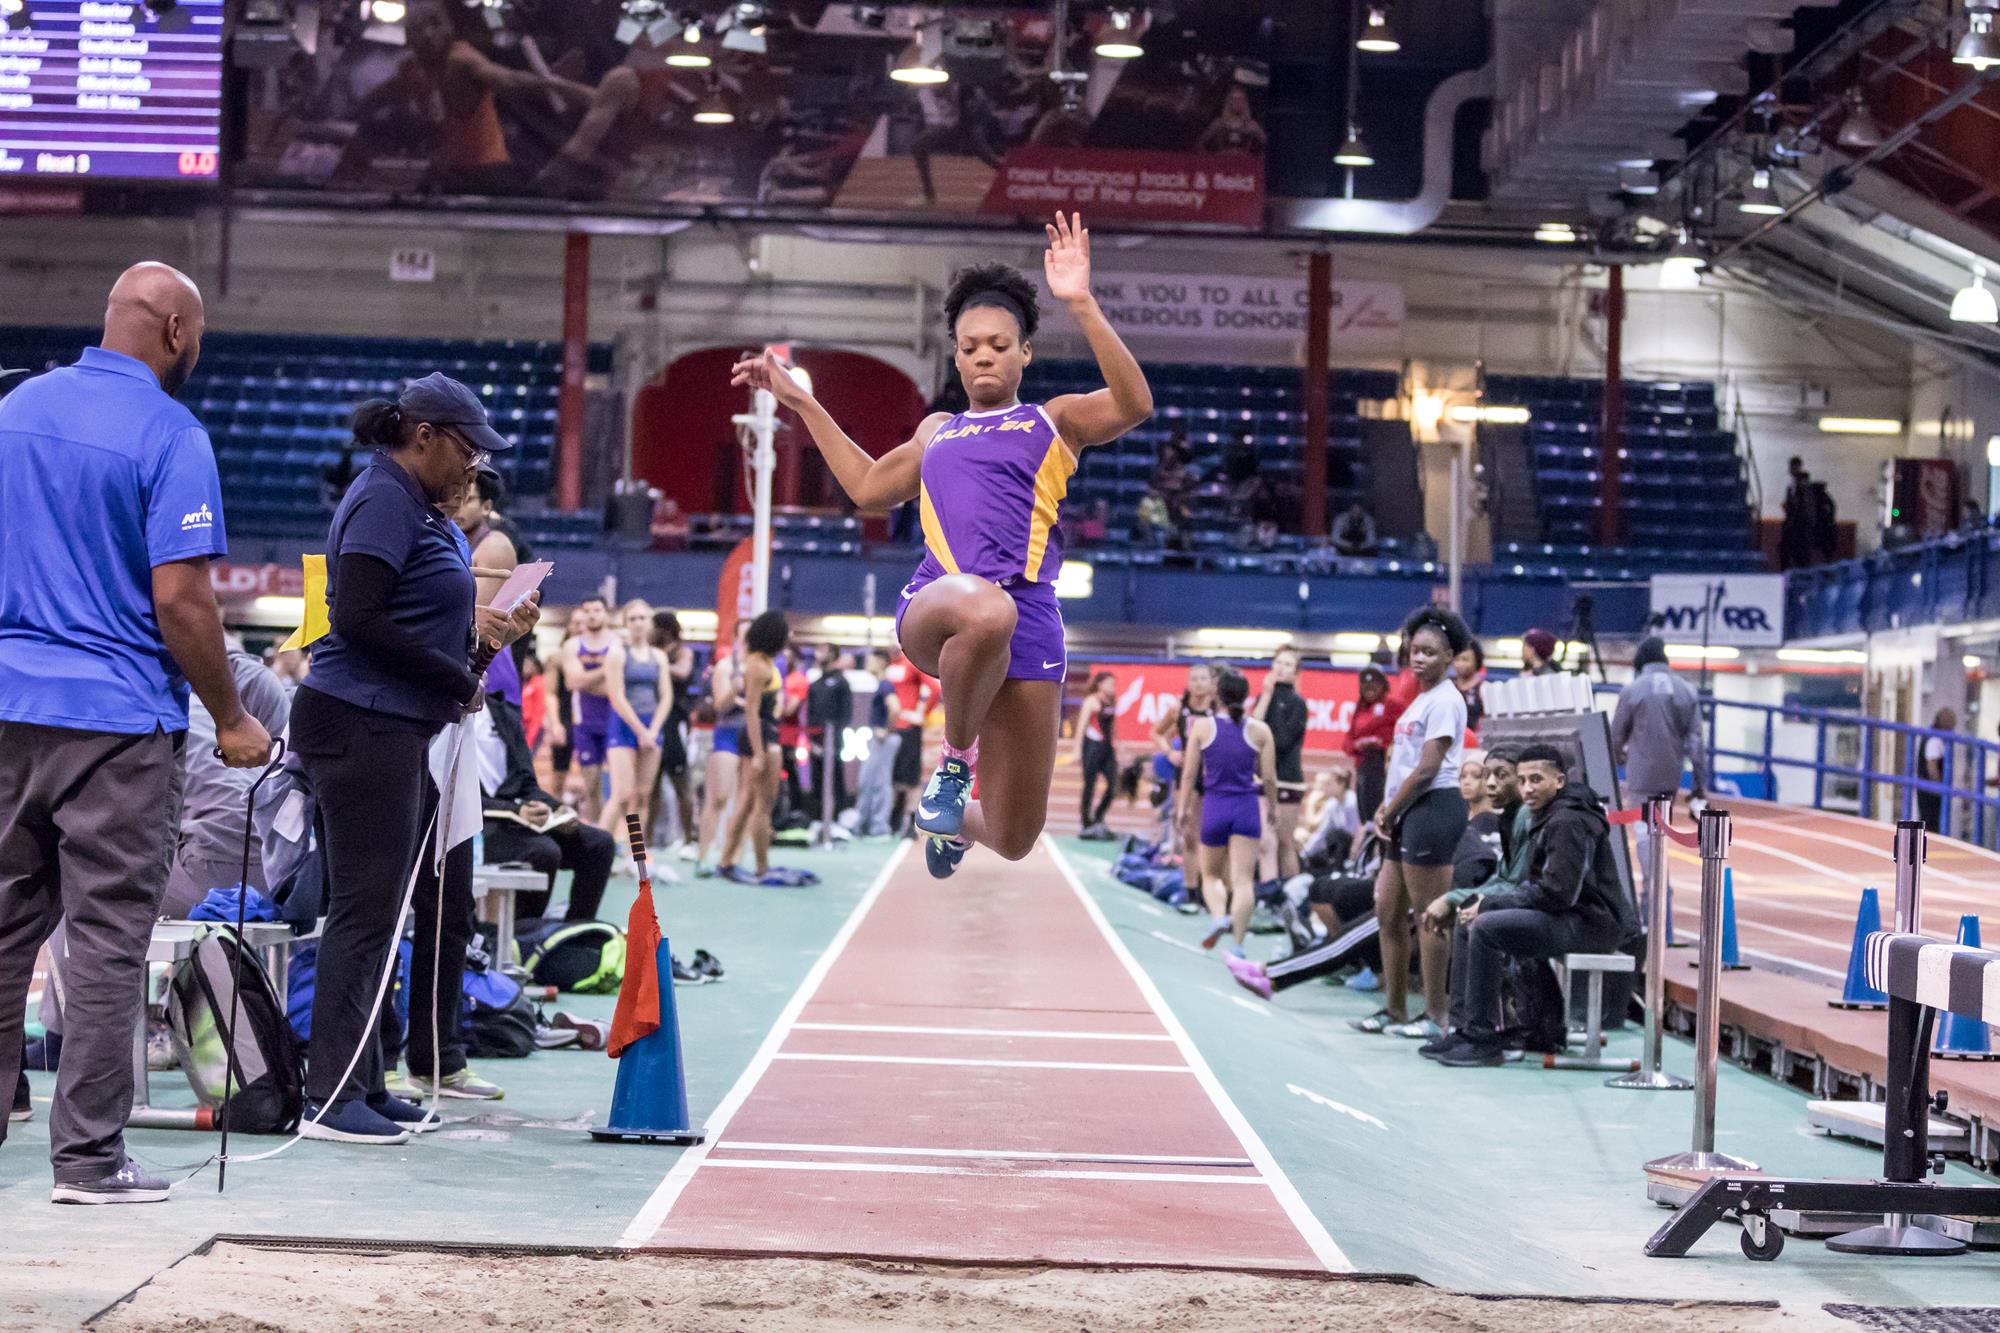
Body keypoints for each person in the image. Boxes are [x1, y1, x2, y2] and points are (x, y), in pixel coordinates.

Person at [731, 213, 1152, 878]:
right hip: (937, 606)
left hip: (1031, 624)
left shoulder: (1054, 421)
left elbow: (1134, 402)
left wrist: (1080, 302)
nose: (984, 354)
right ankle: (955, 766)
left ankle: (954, 828)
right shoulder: (937, 430)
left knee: (1015, 835)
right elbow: (870, 489)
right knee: (988, 610)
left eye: (999, 343)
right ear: (956, 355)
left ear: (1025, 354)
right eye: (971, 344)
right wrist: (802, 404)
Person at [0, 263, 272, 1203]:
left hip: (6, 709)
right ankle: (86, 1160)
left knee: (1, 936)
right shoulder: (170, 432)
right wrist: (232, 717)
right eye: (195, 335)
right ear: (173, 329)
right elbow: (181, 599)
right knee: (111, 938)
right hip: (115, 725)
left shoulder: (16, 410)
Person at [291, 375, 537, 1144]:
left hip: (389, 727)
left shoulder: (418, 508)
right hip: (360, 725)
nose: (474, 466)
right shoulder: (382, 500)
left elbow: (407, 622)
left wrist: (480, 641)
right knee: (363, 916)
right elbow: (357, 618)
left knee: (381, 914)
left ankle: (365, 1077)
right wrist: (456, 678)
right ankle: (331, 1097)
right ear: (424, 434)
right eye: (467, 449)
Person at [1432, 744, 1641, 1067]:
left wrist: (1492, 904)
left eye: (1536, 780)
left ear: (1558, 781)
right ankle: (1467, 1030)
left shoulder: (1567, 821)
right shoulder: (1547, 815)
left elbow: (1558, 894)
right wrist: (1490, 903)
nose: (1528, 788)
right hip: (1572, 915)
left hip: (1593, 924)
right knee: (1474, 920)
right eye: (1524, 780)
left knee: (1486, 926)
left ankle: (1481, 1038)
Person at [1352, 605, 1473, 1041]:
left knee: (1430, 916)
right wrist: (1390, 809)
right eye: (1414, 650)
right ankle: (1395, 1009)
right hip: (1404, 812)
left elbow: (1425, 769)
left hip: (1432, 808)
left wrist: (1389, 808)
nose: (1418, 658)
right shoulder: (1419, 700)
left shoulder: (1446, 699)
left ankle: (1436, 1015)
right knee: (1387, 909)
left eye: (1429, 652)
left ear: (1449, 658)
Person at [163, 645, 294, 914]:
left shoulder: (164, 712)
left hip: (215, 864)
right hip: (283, 868)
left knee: (91, 884)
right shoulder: (258, 685)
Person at [477, 684, 615, 925]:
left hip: (517, 819)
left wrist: (557, 810)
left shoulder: (503, 714)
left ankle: (575, 935)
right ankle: (526, 937)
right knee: (543, 852)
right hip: (474, 826)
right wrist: (515, 811)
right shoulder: (443, 719)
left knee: (599, 844)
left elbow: (527, 783)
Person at [1179, 669, 1278, 980]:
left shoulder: (1202, 728)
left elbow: (1188, 773)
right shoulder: (1260, 731)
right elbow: (1270, 778)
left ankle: (1220, 916)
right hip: (1246, 807)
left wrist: (1182, 808)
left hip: (1214, 807)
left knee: (1209, 876)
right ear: (1247, 696)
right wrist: (1272, 808)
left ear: (1216, 695)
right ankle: (1237, 944)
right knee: (1244, 880)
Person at [1610, 636, 1710, 904]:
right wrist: (1700, 782)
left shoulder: (1632, 691)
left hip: (1641, 773)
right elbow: (1697, 741)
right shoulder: (1686, 690)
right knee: (1661, 830)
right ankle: (1659, 896)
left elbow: (1616, 735)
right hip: (1670, 774)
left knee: (1645, 832)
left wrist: (1618, 759)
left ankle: (1653, 896)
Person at [717, 610, 790, 884]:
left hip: (764, 734)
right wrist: (759, 753)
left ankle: (727, 860)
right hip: (761, 738)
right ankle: (761, 866)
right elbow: (751, 711)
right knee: (762, 805)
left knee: (749, 801)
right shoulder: (758, 666)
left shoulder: (765, 663)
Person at [599, 598, 669, 859]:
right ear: (626, 623)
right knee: (621, 794)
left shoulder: (658, 656)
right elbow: (616, 695)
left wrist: (654, 729)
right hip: (624, 727)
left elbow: (666, 696)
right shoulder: (617, 653)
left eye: (643, 618)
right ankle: (598, 851)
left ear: (650, 622)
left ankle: (634, 853)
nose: (638, 624)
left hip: (653, 727)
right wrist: (641, 730)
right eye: (633, 619)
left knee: (642, 795)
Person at [1154, 662, 1218, 901]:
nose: (1199, 683)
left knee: (1208, 833)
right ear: (1188, 683)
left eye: (1204, 679)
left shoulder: (1217, 709)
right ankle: (1191, 888)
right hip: (1186, 778)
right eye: (1195, 679)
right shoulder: (1179, 709)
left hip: (1212, 776)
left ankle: (1206, 884)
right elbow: (1157, 732)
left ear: (1212, 683)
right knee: (1189, 833)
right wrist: (1169, 752)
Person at [1253, 647, 1310, 879]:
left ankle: (1292, 895)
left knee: (1285, 841)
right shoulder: (1263, 698)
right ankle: (1269, 891)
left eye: (1287, 664)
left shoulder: (1298, 703)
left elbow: (1282, 741)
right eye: (1278, 662)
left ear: (1296, 673)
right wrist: (1267, 696)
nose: (1281, 667)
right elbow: (1252, 731)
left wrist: (1273, 703)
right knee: (1265, 842)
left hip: (1287, 779)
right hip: (1262, 778)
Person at [560, 596, 617, 822]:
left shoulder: (617, 643)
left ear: (606, 614)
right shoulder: (572, 645)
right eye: (587, 610)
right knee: (591, 787)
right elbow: (573, 681)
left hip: (615, 721)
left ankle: (621, 838)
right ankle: (597, 832)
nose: (592, 614)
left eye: (597, 610)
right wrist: (607, 669)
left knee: (622, 790)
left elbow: (613, 688)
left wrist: (587, 678)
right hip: (585, 723)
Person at [650, 611, 698, 852]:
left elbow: (683, 671)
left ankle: (689, 839)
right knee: (651, 786)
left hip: (675, 721)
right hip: (651, 721)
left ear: (665, 630)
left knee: (682, 783)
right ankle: (645, 841)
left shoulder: (681, 651)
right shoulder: (648, 650)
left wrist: (657, 662)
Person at [882, 647, 934, 833]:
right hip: (890, 729)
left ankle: (910, 823)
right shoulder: (888, 667)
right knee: (892, 777)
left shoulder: (912, 663)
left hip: (909, 729)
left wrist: (921, 713)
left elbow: (934, 688)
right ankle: (892, 821)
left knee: (910, 779)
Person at [804, 645, 854, 824]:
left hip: (833, 742)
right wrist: (811, 740)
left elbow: (846, 713)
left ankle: (837, 817)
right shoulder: (815, 684)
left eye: (822, 650)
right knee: (817, 779)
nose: (817, 653)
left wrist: (835, 740)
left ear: (833, 655)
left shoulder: (841, 682)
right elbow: (810, 714)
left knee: (835, 778)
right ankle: (817, 818)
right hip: (815, 742)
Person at [853, 649, 901, 838]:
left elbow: (895, 707)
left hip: (883, 740)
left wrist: (887, 730)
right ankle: (865, 825)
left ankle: (880, 827)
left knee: (880, 783)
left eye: (871, 660)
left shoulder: (885, 685)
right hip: (879, 739)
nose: (867, 664)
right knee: (868, 782)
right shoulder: (881, 685)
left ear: (881, 662)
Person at [1344, 666, 1400, 826]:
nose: (1370, 689)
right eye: (1365, 685)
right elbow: (1348, 741)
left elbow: (1405, 732)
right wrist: (1358, 744)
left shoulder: (1392, 705)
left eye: (1374, 685)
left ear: (1383, 685)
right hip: (1363, 768)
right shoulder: (1360, 707)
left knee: (1381, 814)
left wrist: (1383, 744)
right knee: (1365, 816)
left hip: (1383, 767)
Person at [1077, 671, 1121, 840]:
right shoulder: (1091, 701)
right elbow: (1082, 725)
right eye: (1109, 683)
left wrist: (1119, 744)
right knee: (1089, 785)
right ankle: (1086, 823)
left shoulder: (1112, 700)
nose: (1112, 687)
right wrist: (1077, 749)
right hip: (1092, 747)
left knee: (1114, 784)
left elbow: (1113, 725)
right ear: (1100, 684)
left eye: (1113, 684)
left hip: (1107, 748)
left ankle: (1098, 818)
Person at [1919, 706, 1957, 833]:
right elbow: (1932, 767)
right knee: (1931, 824)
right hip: (1931, 792)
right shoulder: (1934, 740)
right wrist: (1940, 787)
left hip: (1929, 789)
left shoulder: (1933, 736)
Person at [1454, 638, 1486, 737]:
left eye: (1465, 659)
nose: (1460, 664)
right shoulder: (1448, 687)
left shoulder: (1483, 689)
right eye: (1457, 659)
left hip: (1473, 741)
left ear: (1476, 660)